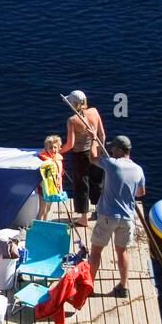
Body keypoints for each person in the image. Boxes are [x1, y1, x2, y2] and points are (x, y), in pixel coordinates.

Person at [88, 135, 145, 299]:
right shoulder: (138, 169)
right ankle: (123, 287)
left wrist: (93, 141)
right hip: (127, 218)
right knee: (122, 252)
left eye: (113, 149)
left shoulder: (112, 164)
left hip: (107, 216)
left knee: (96, 252)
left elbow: (93, 158)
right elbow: (141, 193)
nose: (111, 151)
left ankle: (89, 285)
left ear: (120, 151)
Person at [60, 90, 105, 228]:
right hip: (96, 151)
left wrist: (58, 152)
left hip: (81, 155)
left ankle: (83, 218)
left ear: (73, 103)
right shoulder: (95, 112)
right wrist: (100, 149)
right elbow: (102, 134)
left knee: (81, 185)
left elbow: (70, 144)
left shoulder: (72, 120)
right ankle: (98, 210)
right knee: (97, 181)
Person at [37, 134, 65, 221]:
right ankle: (37, 227)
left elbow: (60, 173)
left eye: (55, 147)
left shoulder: (58, 158)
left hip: (54, 188)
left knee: (48, 209)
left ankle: (45, 224)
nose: (53, 150)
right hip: (44, 188)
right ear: (46, 149)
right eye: (51, 148)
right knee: (42, 209)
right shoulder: (43, 160)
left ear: (59, 147)